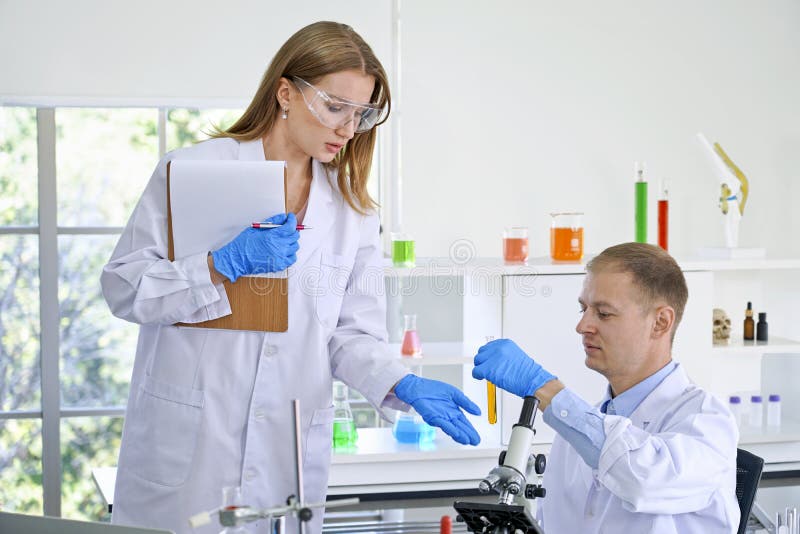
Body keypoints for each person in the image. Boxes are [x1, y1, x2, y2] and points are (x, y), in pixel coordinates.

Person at [102, 21, 480, 534]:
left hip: (286, 451)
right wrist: (217, 265)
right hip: (190, 454)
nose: (348, 128)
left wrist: (401, 382)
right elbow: (125, 287)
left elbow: (350, 334)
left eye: (362, 114)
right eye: (335, 107)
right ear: (286, 93)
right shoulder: (188, 171)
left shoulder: (354, 213)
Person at [472, 242, 739, 533]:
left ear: (660, 323)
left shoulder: (707, 422)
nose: (583, 325)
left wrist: (546, 390)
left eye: (604, 313)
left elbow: (643, 478)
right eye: (583, 309)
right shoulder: (575, 435)